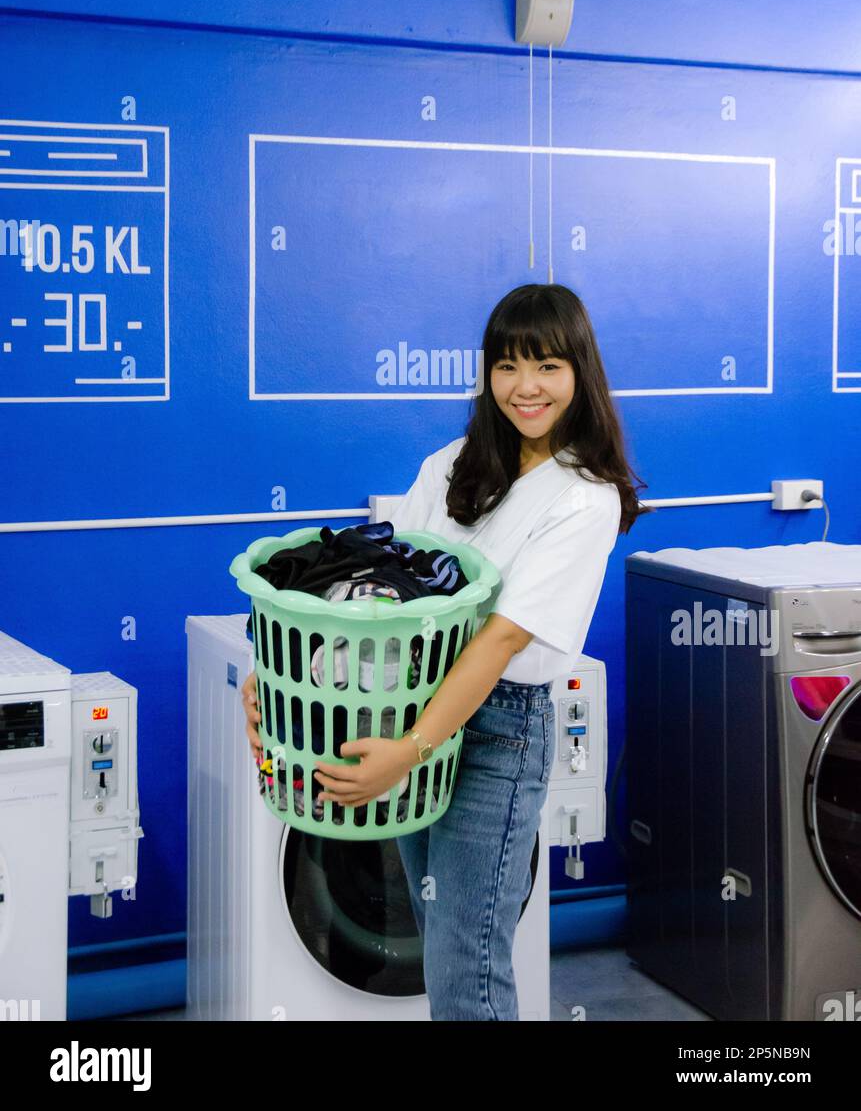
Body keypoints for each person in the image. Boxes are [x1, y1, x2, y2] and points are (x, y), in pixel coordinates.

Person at [241, 282, 650, 1020]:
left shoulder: (582, 498)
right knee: (441, 940)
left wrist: (413, 749)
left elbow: (499, 640)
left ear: (580, 373)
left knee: (467, 966)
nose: (525, 387)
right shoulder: (454, 464)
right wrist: (280, 690)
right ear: (486, 372)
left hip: (495, 728)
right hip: (407, 703)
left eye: (548, 366)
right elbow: (381, 600)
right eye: (507, 365)